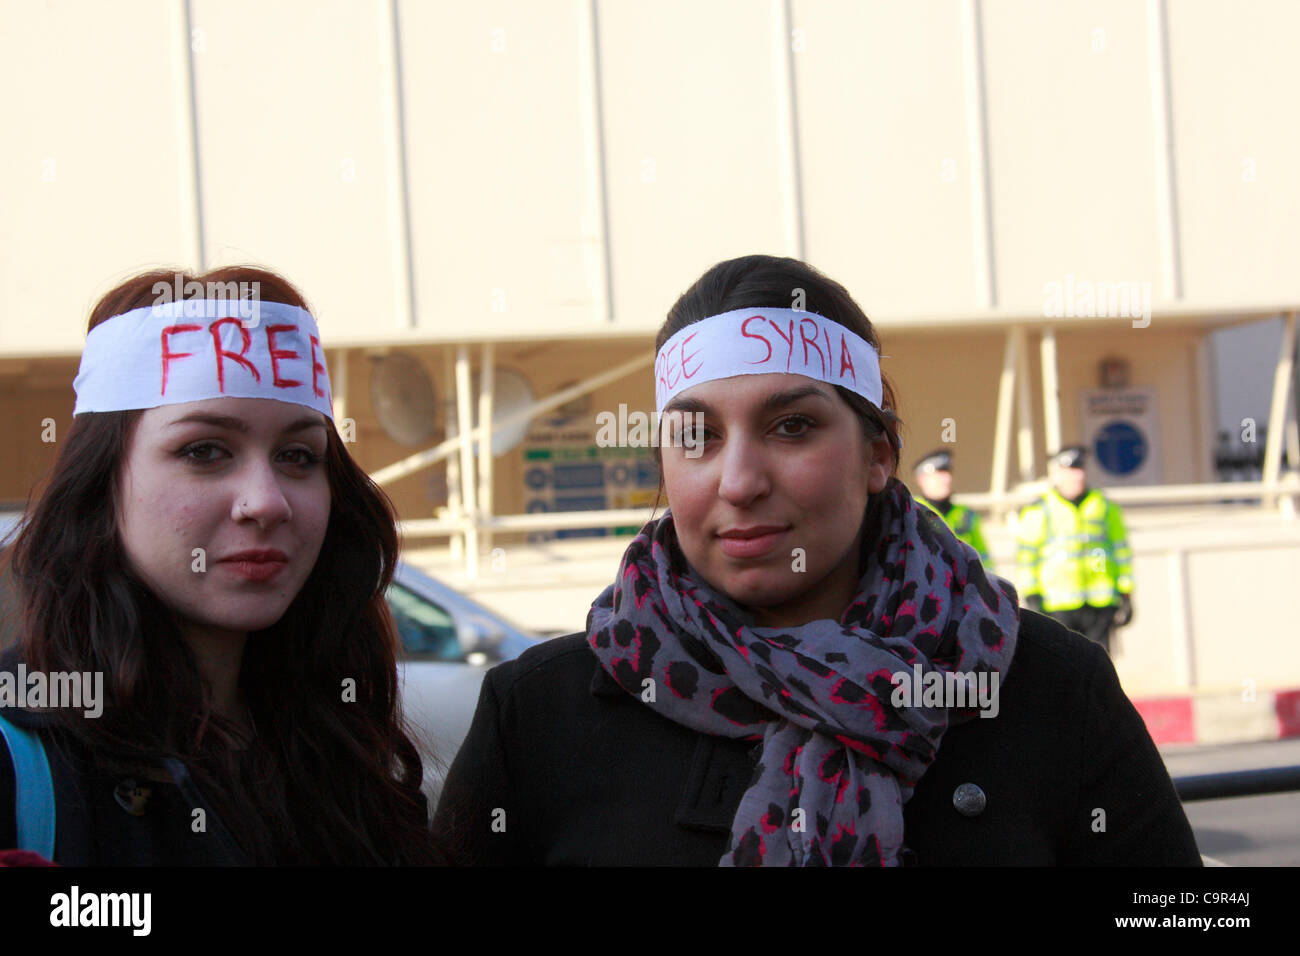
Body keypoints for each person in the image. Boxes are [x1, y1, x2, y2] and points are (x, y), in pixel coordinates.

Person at [432, 254, 1198, 866]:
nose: (738, 481)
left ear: (877, 454)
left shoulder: (1047, 690)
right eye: (695, 436)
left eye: (792, 426)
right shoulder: (538, 716)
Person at [0, 267, 442, 865]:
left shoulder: (344, 747)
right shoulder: (21, 763)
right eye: (204, 451)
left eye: (297, 455)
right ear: (104, 481)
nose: (266, 500)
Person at [1015, 445, 1134, 656]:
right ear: (1058, 473)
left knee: (1099, 666)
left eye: (1080, 469)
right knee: (1062, 667)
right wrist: (1031, 594)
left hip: (1101, 602)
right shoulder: (1040, 510)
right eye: (1070, 470)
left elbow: (1121, 551)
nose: (1076, 476)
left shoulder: (1104, 506)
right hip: (1057, 605)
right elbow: (1027, 557)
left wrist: (1126, 592)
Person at [911, 449, 990, 563]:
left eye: (947, 474)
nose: (946, 480)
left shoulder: (966, 514)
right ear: (921, 479)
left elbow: (983, 558)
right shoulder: (912, 511)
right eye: (938, 475)